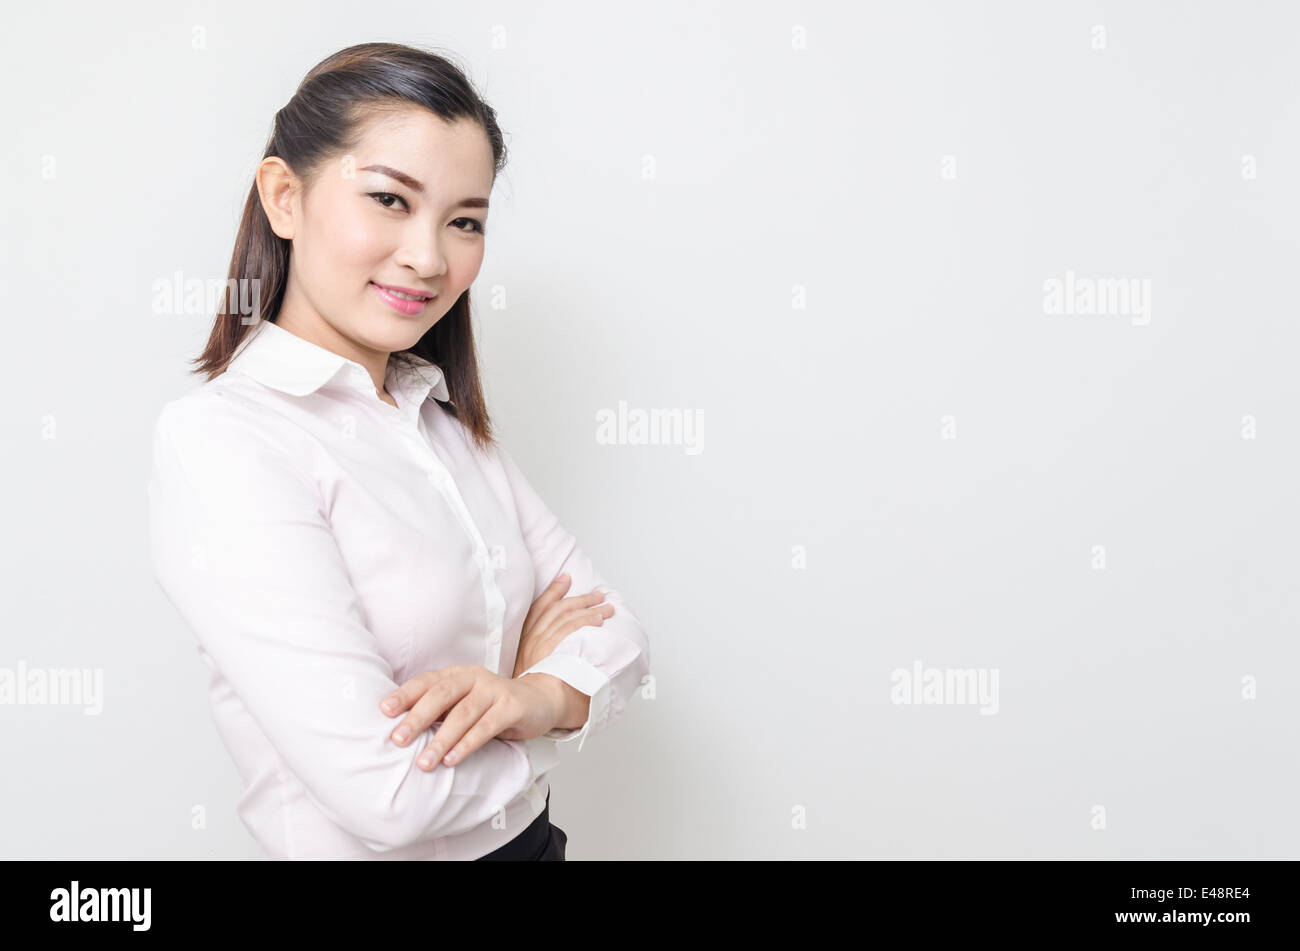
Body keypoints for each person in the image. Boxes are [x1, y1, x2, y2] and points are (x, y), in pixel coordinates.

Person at [147, 42, 650, 860]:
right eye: (389, 198)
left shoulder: (440, 420)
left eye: (464, 221)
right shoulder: (224, 442)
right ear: (284, 195)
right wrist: (551, 708)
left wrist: (529, 694)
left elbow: (619, 630)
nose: (428, 256)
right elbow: (388, 797)